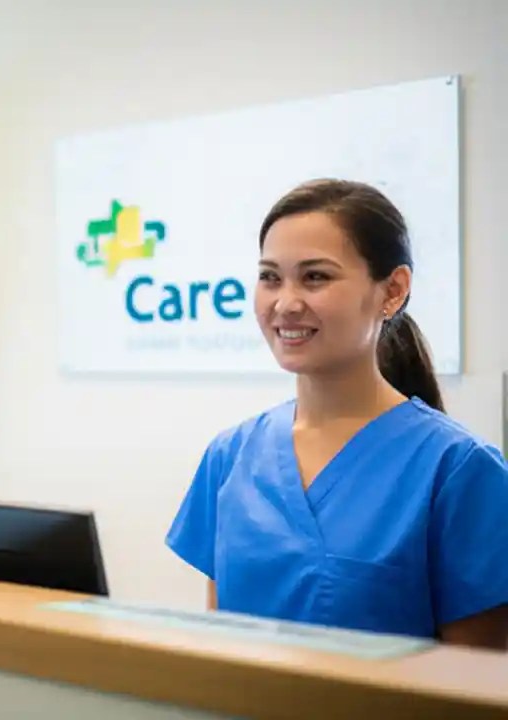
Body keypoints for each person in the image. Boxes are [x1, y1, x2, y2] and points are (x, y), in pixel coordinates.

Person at [166, 179, 508, 650]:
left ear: (393, 290)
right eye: (270, 277)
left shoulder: (460, 472)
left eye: (315, 277)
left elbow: (478, 689)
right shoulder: (230, 456)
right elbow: (222, 650)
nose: (285, 303)